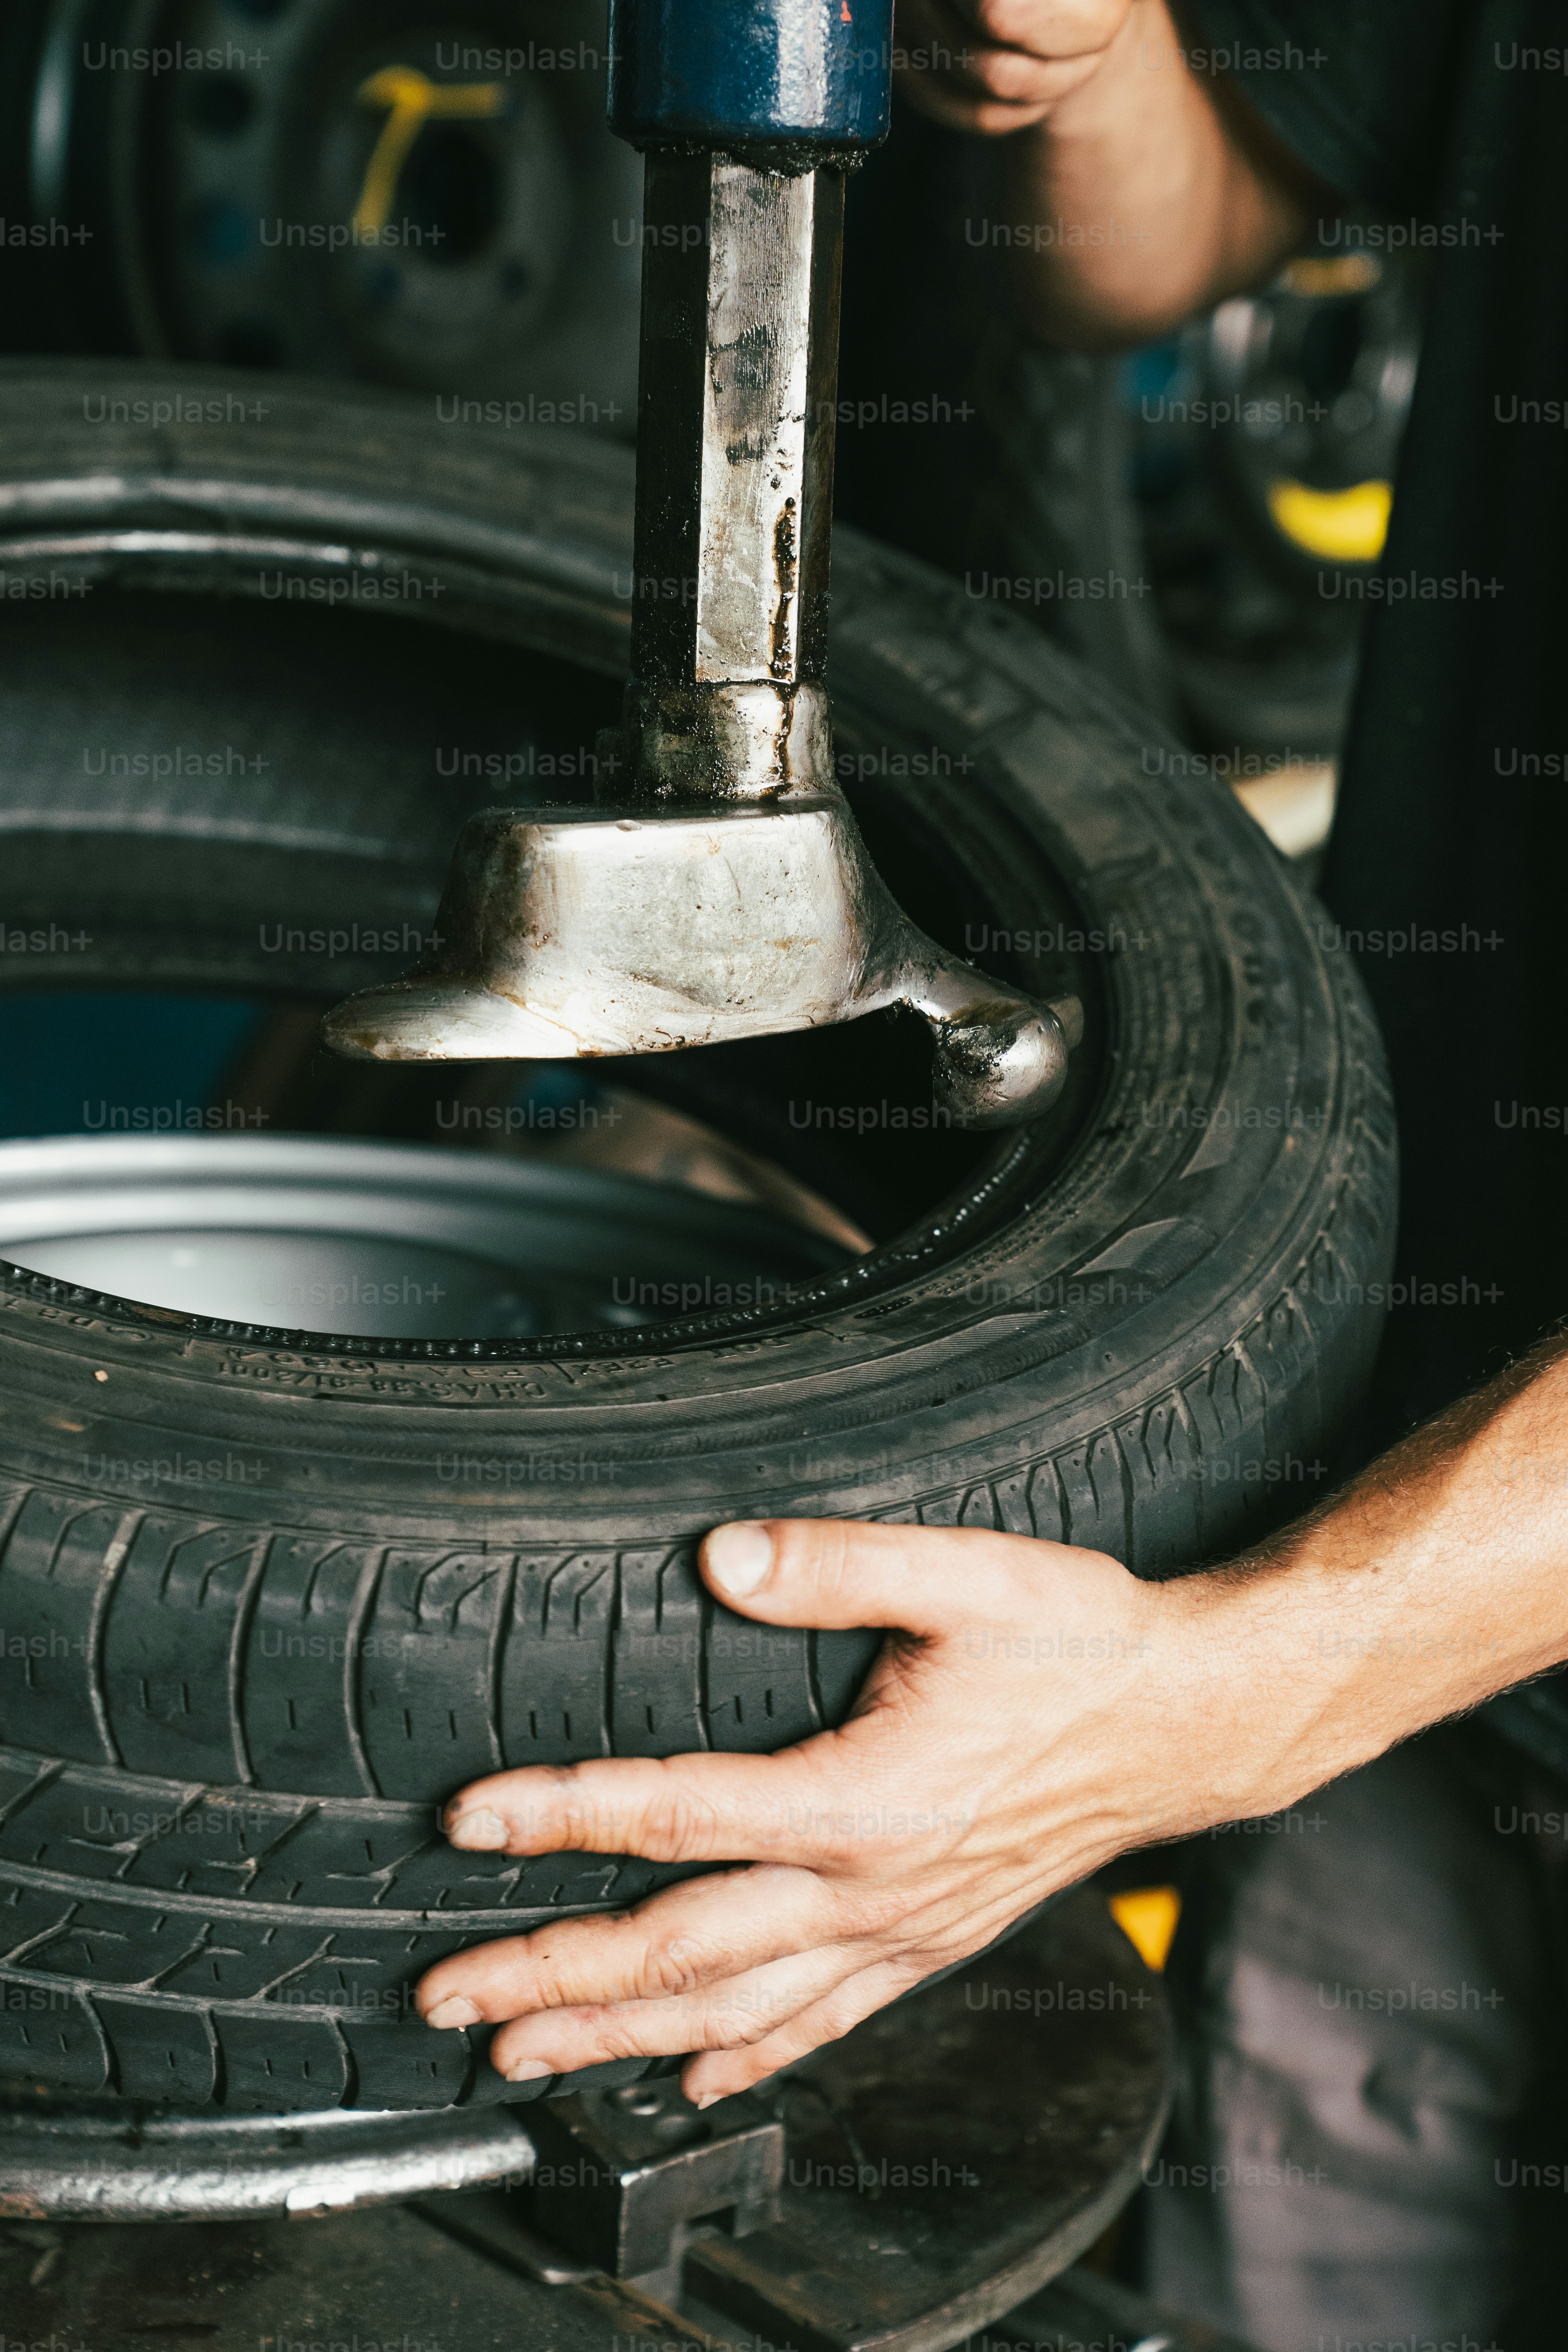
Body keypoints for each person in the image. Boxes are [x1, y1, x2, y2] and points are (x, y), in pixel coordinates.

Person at [415, 6, 1568, 2345]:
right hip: (1413, 1529)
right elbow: (1175, 231)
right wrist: (1079, 57)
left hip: (1359, 1630)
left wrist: (1217, 1700)